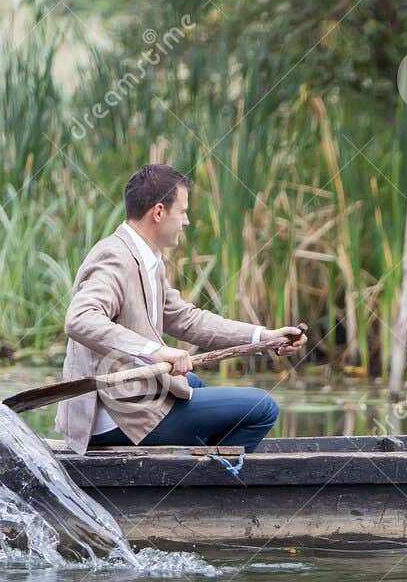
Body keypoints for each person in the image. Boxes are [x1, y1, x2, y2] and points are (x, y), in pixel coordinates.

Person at [56, 163, 307, 455]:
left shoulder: (148, 259)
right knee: (263, 407)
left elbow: (187, 320)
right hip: (118, 414)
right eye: (183, 212)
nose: (186, 221)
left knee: (192, 384)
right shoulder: (115, 258)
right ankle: (205, 485)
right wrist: (157, 351)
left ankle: (194, 470)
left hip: (137, 396)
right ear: (159, 212)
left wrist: (264, 336)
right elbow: (80, 319)